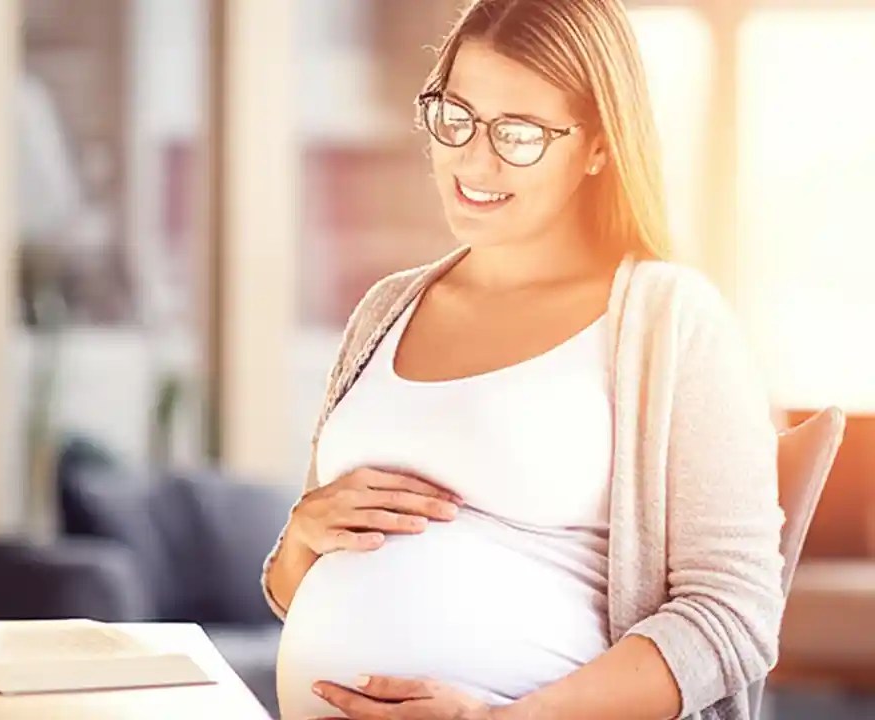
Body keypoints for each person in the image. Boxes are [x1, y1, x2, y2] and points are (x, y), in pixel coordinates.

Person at [260, 1, 785, 719]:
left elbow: (733, 615)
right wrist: (298, 544)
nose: (475, 160)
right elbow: (301, 594)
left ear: (597, 147)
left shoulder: (669, 317)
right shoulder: (388, 310)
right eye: (457, 117)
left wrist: (504, 719)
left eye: (519, 134)